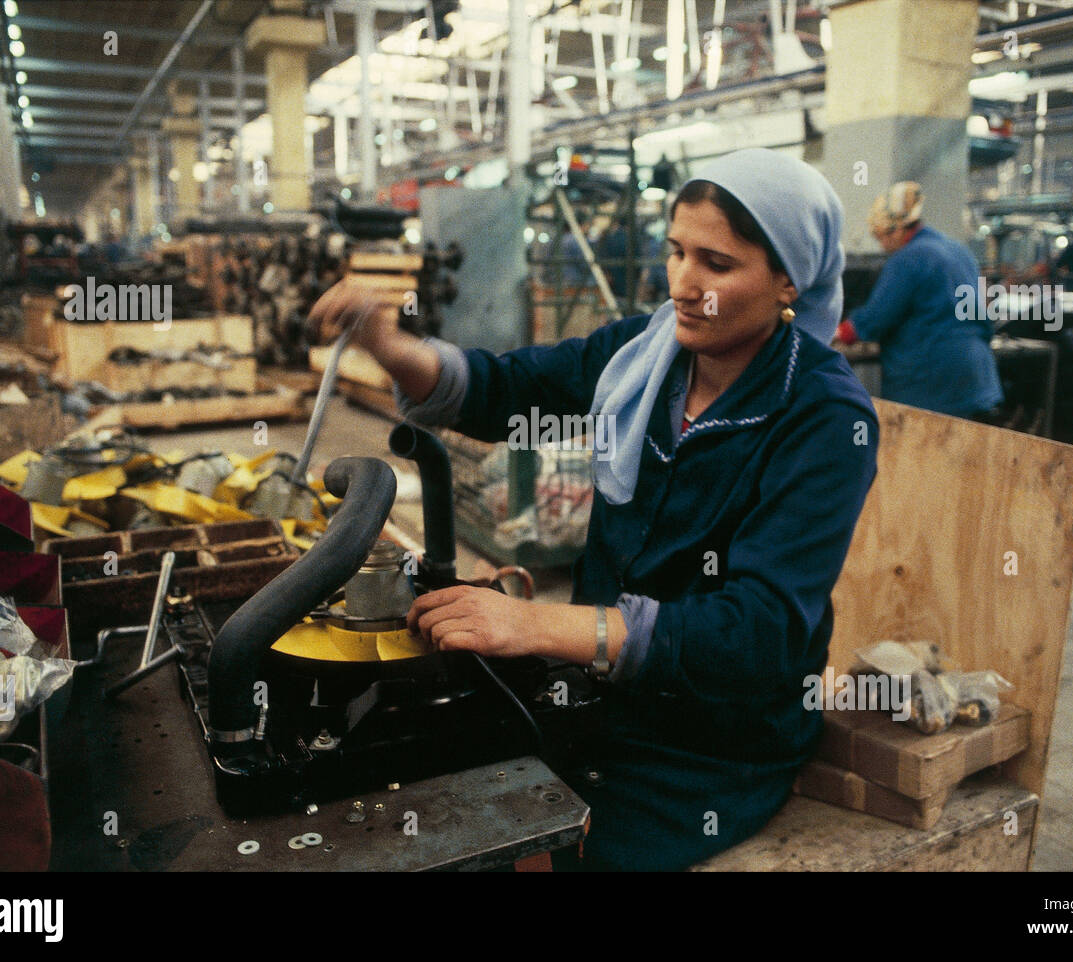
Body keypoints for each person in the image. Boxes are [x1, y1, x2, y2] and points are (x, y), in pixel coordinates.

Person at [309, 148, 879, 871]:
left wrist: (537, 623)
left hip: (711, 743)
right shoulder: (645, 358)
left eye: (718, 264)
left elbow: (755, 633)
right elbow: (508, 390)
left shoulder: (823, 417)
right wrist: (389, 344)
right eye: (675, 253)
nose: (683, 285)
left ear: (788, 279)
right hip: (596, 698)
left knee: (560, 855)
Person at [835, 183, 1003, 419]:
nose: (882, 245)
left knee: (926, 453)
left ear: (895, 230)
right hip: (978, 376)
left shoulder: (907, 258)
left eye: (880, 237)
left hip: (933, 382)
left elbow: (877, 318)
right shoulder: (959, 251)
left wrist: (841, 332)